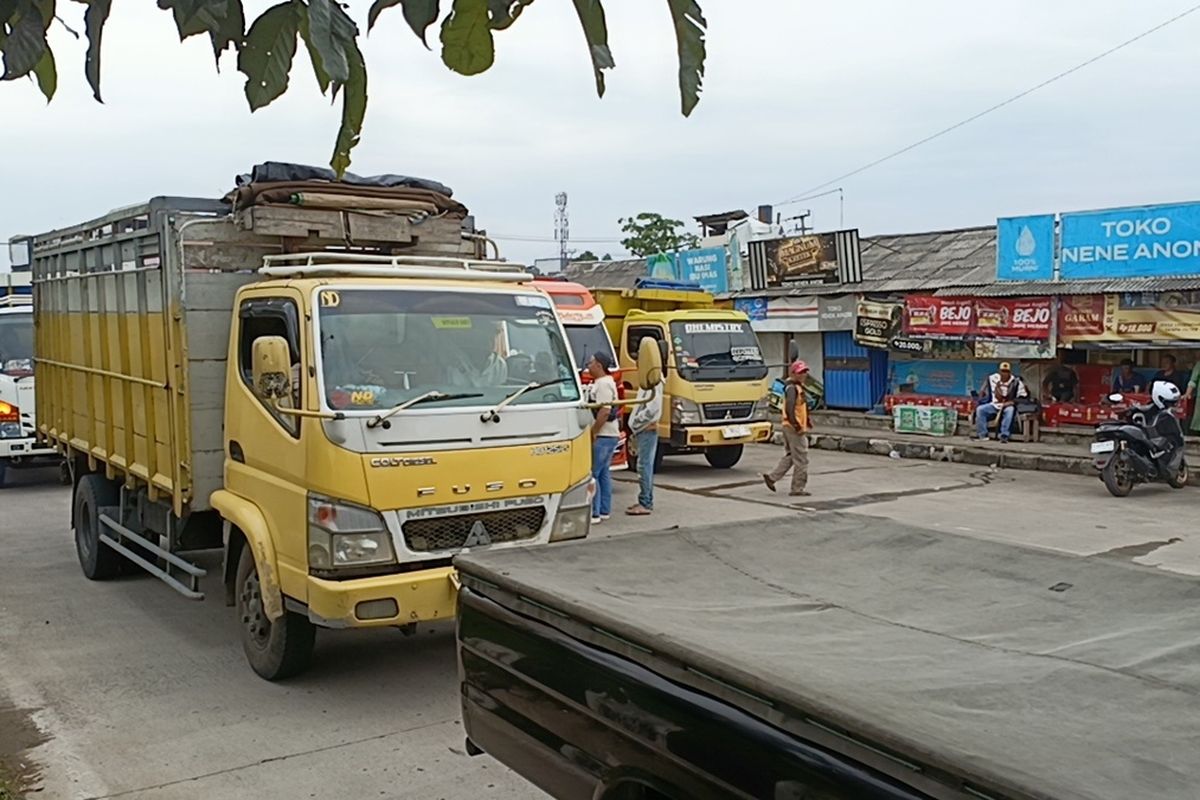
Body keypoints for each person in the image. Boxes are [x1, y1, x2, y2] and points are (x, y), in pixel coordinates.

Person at [762, 360, 811, 497]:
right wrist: (796, 425)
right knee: (801, 459)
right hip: (793, 428)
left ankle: (772, 477)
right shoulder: (792, 389)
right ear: (793, 373)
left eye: (805, 372)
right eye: (800, 372)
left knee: (791, 455)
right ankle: (797, 488)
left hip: (789, 426)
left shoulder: (795, 387)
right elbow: (790, 408)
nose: (804, 375)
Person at [625, 361, 663, 517]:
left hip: (646, 428)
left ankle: (646, 502)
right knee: (644, 465)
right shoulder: (647, 380)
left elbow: (653, 407)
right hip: (643, 428)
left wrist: (639, 420)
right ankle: (644, 499)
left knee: (644, 465)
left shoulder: (653, 380)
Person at [587, 351, 621, 523]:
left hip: (604, 435)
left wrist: (594, 431)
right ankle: (605, 510)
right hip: (609, 434)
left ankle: (596, 512)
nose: (588, 364)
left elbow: (605, 410)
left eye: (591, 362)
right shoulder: (603, 383)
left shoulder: (603, 385)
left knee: (594, 473)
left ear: (599, 365)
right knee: (603, 473)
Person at [974, 362, 1028, 443]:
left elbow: (1023, 396)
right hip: (994, 404)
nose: (1004, 374)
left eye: (1006, 372)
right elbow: (983, 389)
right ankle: (983, 434)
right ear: (999, 371)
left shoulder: (1016, 382)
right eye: (1002, 371)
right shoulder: (993, 378)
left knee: (1010, 411)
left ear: (1010, 372)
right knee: (980, 410)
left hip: (1008, 405)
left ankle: (1004, 435)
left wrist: (1012, 402)